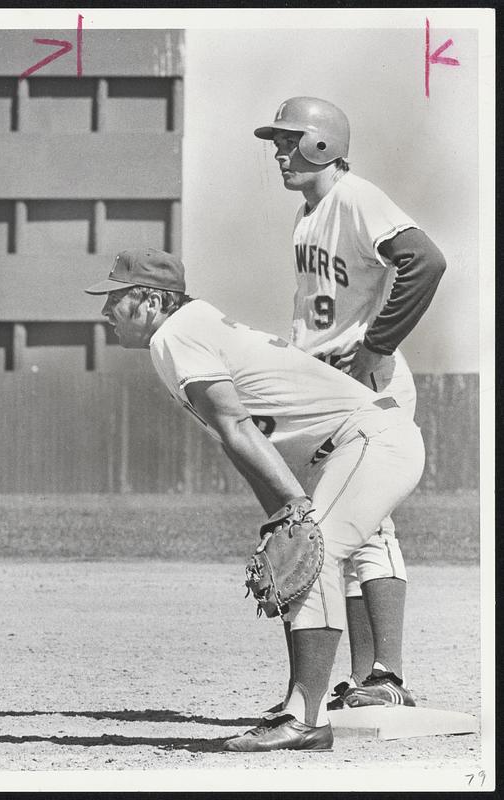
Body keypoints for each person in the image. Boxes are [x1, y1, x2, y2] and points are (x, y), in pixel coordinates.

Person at [86, 247, 425, 751]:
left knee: (313, 551)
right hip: (362, 443)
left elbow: (236, 425)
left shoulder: (174, 336)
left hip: (369, 440)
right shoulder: (189, 327)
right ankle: (306, 705)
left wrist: (295, 506)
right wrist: (282, 511)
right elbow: (237, 438)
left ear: (152, 300)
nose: (104, 311)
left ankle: (306, 719)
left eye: (115, 298)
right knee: (303, 546)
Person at [253, 97, 446, 708]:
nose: (278, 153)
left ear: (321, 144)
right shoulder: (308, 215)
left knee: (369, 528)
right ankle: (367, 681)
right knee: (354, 533)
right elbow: (321, 309)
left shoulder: (355, 197)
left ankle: (387, 676)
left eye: (288, 140)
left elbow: (425, 261)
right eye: (275, 142)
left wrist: (377, 344)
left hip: (366, 390)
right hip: (325, 388)